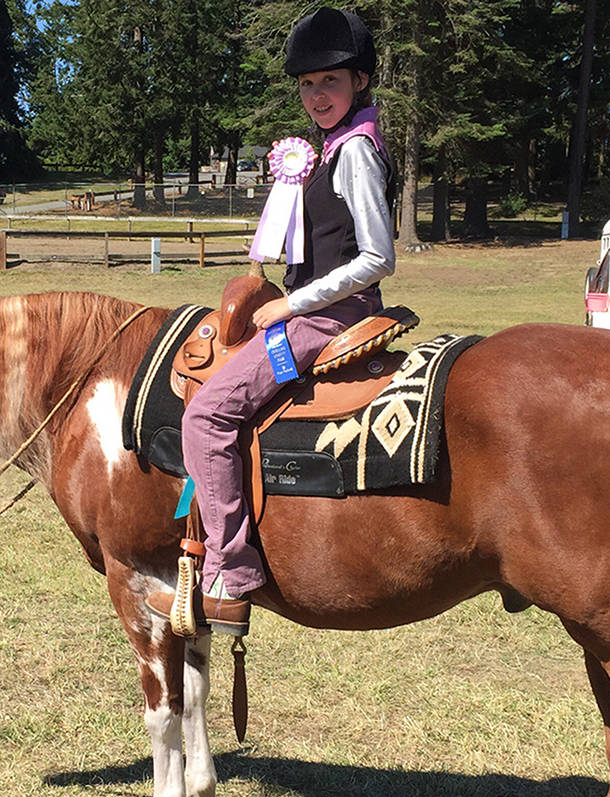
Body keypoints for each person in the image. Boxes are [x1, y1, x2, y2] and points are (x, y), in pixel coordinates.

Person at [147, 7, 396, 636]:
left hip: (328, 314)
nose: (318, 96)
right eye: (308, 85)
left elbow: (377, 256)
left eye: (330, 83)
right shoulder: (329, 148)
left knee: (207, 413)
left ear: (360, 81)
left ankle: (230, 573)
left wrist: (293, 302)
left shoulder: (357, 152)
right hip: (315, 306)